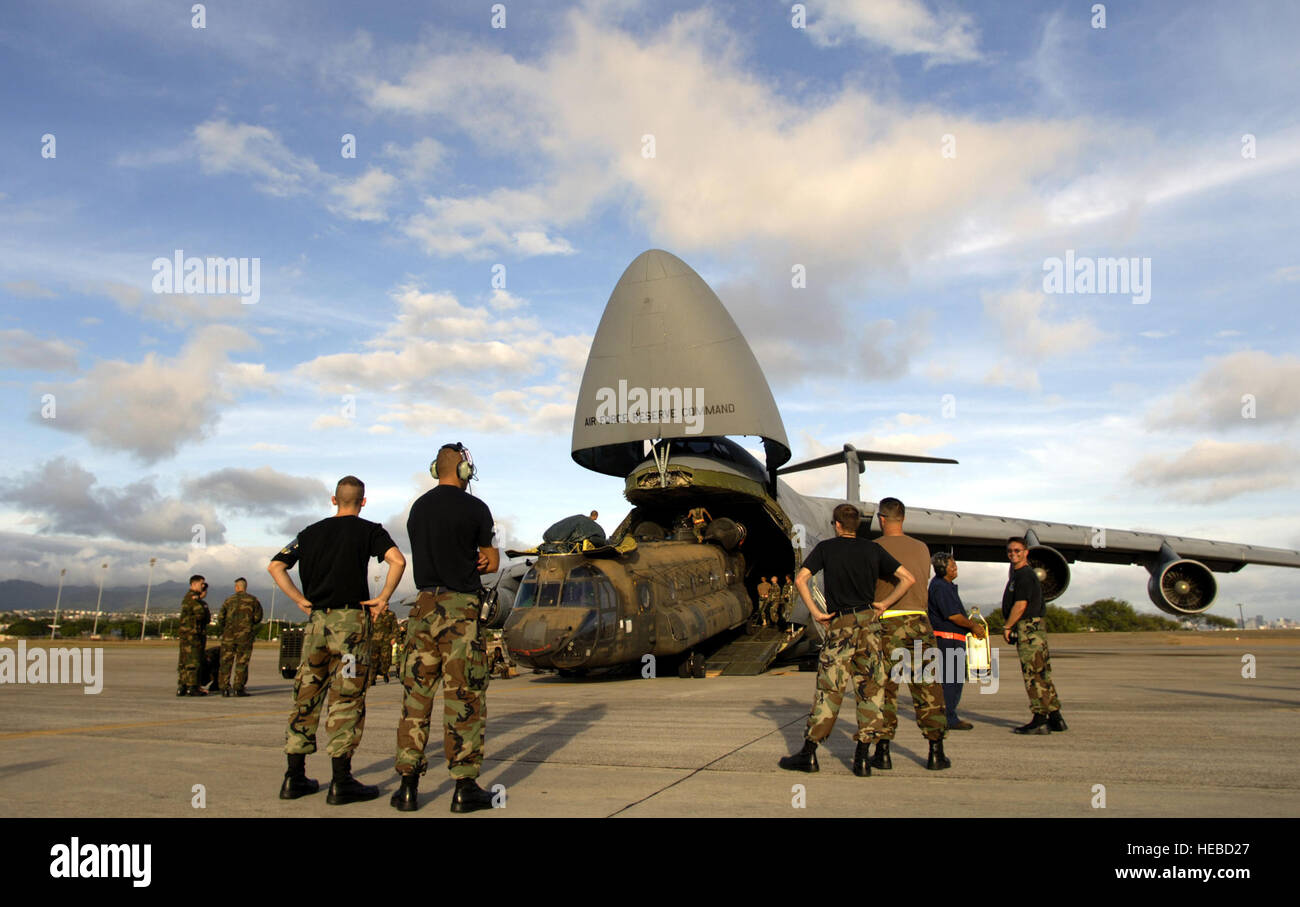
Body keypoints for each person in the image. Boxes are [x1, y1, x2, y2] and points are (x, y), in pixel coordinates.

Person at [269, 475, 406, 805]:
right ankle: (341, 781)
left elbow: (275, 566)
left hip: (317, 624)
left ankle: (294, 777)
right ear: (363, 501)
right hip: (351, 625)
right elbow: (398, 561)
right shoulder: (370, 530)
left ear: (334, 500)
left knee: (306, 695)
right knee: (346, 697)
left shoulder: (310, 533)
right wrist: (384, 597)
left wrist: (300, 600)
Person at [392, 443, 500, 814]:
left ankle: (407, 786)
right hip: (460, 610)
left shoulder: (418, 509)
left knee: (416, 698)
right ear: (465, 471)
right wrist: (480, 558)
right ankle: (464, 787)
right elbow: (491, 560)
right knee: (464, 696)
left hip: (422, 608)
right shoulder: (476, 508)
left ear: (435, 470)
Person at [779, 503, 915, 777]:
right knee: (872, 689)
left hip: (840, 625)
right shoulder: (873, 549)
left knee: (830, 690)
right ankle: (863, 757)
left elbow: (801, 579)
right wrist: (884, 604)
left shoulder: (826, 549)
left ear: (837, 525)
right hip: (869, 625)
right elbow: (907, 578)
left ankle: (809, 754)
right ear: (857, 525)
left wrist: (817, 612)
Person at [863, 498, 951, 771]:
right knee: (927, 688)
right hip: (919, 623)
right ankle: (936, 752)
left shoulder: (873, 548)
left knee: (885, 689)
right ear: (903, 518)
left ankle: (883, 752)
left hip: (886, 623)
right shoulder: (922, 548)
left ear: (881, 519)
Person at [1004, 537, 1066, 734]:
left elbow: (1020, 605)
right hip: (1034, 629)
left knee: (1033, 675)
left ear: (1026, 552)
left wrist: (1007, 626)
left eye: (1017, 551)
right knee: (1042, 674)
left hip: (1028, 629)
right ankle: (1055, 717)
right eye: (1010, 551)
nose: (1013, 554)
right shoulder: (1020, 574)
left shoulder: (1024, 575)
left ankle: (1040, 719)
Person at [927, 553, 986, 730]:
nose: (956, 569)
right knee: (951, 680)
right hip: (948, 642)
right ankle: (948, 717)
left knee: (953, 679)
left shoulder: (945, 586)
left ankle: (946, 714)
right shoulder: (941, 587)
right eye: (952, 566)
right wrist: (974, 626)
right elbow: (953, 615)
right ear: (942, 568)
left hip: (952, 641)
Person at [218, 578, 263, 697]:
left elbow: (220, 618)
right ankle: (239, 687)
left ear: (237, 587)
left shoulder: (228, 601)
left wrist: (227, 627)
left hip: (229, 636)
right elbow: (258, 617)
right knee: (242, 662)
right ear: (245, 587)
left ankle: (224, 688)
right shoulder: (252, 600)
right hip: (245, 636)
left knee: (226, 661)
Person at [176, 576, 210, 697]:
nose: (203, 586)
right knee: (194, 660)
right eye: (202, 584)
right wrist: (201, 601)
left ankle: (182, 686)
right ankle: (192, 686)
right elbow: (202, 616)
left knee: (184, 660)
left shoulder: (188, 597)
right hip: (194, 634)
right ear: (194, 584)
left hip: (186, 634)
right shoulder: (193, 599)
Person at [368, 607, 398, 685]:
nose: (386, 606)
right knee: (373, 660)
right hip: (374, 640)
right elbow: (368, 625)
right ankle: (372, 678)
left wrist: (394, 637)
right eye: (385, 604)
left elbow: (395, 627)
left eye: (387, 604)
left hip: (386, 640)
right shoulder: (374, 613)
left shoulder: (391, 614)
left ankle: (384, 672)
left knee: (386, 659)